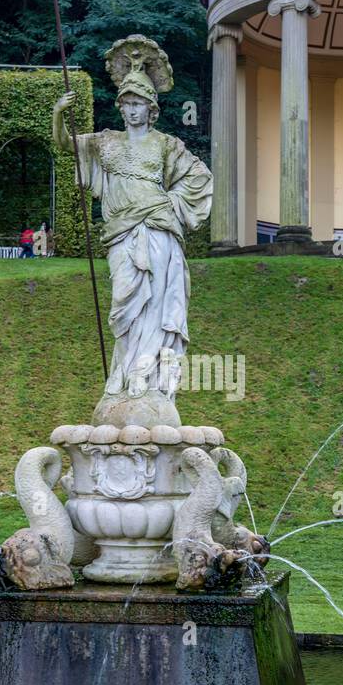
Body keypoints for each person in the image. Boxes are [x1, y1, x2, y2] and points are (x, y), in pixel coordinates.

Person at [52, 35, 212, 410]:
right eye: (126, 104)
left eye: (138, 103)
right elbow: (66, 144)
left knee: (155, 308)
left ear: (151, 108)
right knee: (124, 307)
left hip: (157, 232)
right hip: (121, 234)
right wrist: (59, 112)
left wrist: (170, 202)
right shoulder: (106, 142)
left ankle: (147, 379)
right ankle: (121, 376)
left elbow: (200, 178)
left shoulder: (166, 145)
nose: (131, 111)